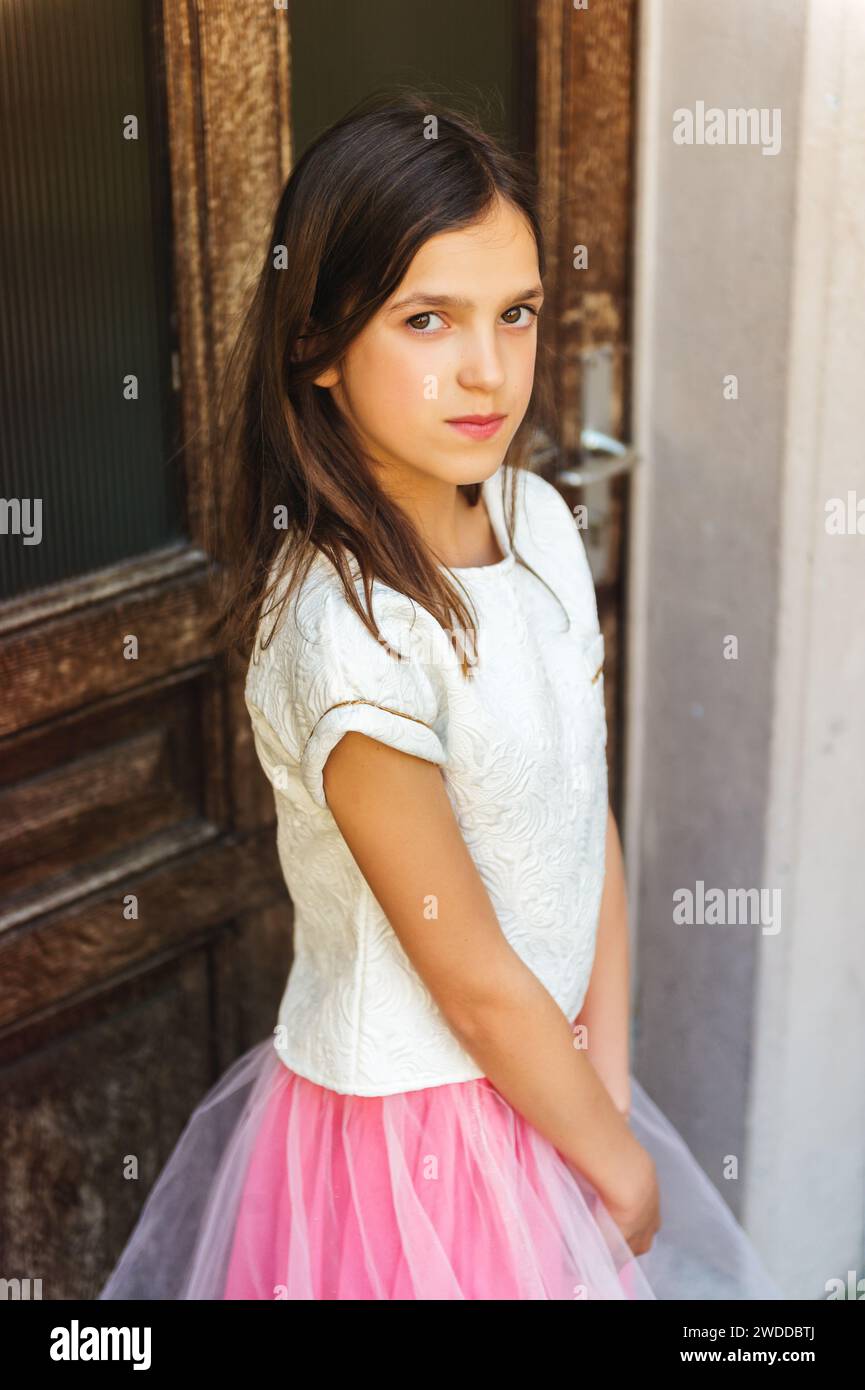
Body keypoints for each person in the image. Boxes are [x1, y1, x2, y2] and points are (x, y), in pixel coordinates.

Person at [98, 92, 783, 1301]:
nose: (488, 369)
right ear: (318, 344)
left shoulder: (535, 526)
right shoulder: (344, 631)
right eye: (428, 320)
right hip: (413, 1154)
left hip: (551, 1090)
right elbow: (463, 970)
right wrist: (613, 1163)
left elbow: (585, 819)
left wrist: (603, 1094)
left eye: (514, 314)